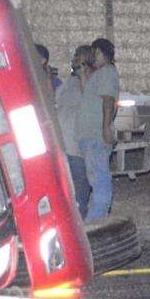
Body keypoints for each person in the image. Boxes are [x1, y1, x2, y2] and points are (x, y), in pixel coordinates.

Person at [76, 37, 120, 220]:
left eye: (94, 53)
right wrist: (83, 73)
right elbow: (87, 92)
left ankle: (97, 219)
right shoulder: (100, 74)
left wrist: (105, 128)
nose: (93, 58)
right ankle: (96, 218)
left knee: (100, 179)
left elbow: (108, 100)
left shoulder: (108, 72)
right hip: (91, 135)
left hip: (96, 135)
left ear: (101, 53)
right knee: (95, 178)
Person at [55, 44, 93, 217]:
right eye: (76, 58)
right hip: (68, 146)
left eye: (79, 58)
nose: (76, 61)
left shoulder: (88, 83)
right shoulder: (70, 83)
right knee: (72, 193)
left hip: (73, 146)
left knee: (77, 192)